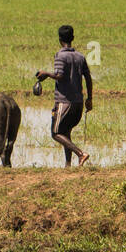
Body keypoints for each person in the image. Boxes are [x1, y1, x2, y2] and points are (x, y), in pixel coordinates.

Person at [34, 24, 91, 167]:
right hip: (78, 102)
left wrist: (46, 74)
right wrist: (89, 99)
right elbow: (88, 78)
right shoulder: (80, 57)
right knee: (66, 132)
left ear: (60, 39)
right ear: (72, 38)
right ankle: (68, 165)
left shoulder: (60, 55)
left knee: (55, 133)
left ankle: (80, 154)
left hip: (64, 102)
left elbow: (60, 75)